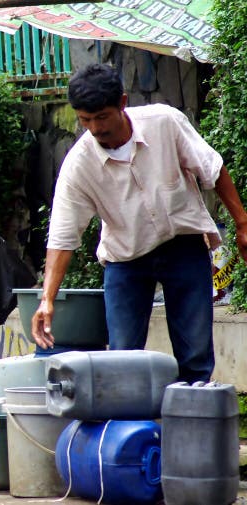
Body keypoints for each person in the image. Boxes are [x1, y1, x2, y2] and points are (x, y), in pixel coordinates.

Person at [31, 63, 247, 383]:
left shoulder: (165, 122)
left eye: (101, 117)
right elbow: (63, 235)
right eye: (84, 120)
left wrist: (242, 224)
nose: (94, 128)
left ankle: (193, 422)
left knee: (195, 355)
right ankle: (132, 430)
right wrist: (47, 299)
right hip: (125, 258)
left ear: (122, 102)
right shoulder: (79, 165)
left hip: (182, 246)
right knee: (123, 358)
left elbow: (212, 169)